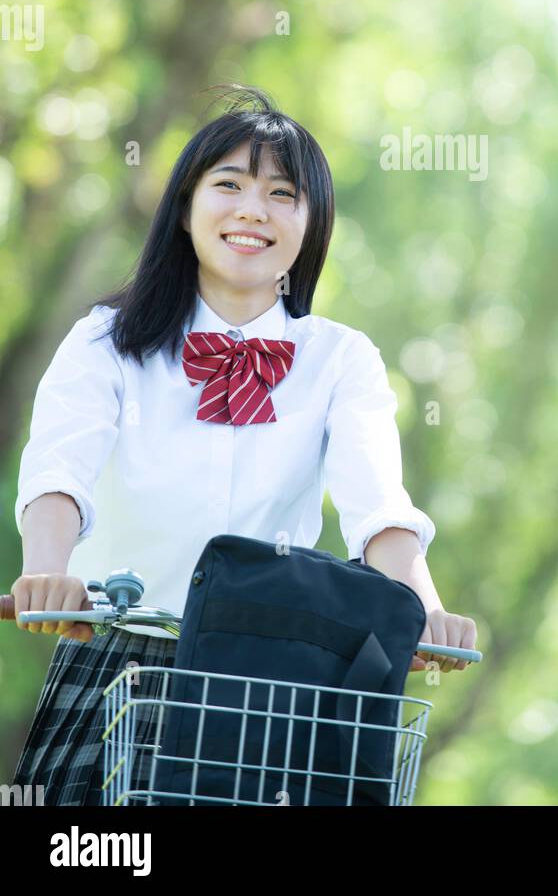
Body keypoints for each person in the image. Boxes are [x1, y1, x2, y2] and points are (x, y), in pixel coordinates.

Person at [10, 83, 477, 805]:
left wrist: (421, 606)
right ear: (186, 208)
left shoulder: (340, 358)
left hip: (270, 670)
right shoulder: (105, 339)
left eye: (283, 193)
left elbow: (377, 502)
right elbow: (59, 469)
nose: (253, 209)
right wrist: (46, 571)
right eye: (228, 184)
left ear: (310, 224)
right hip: (117, 660)